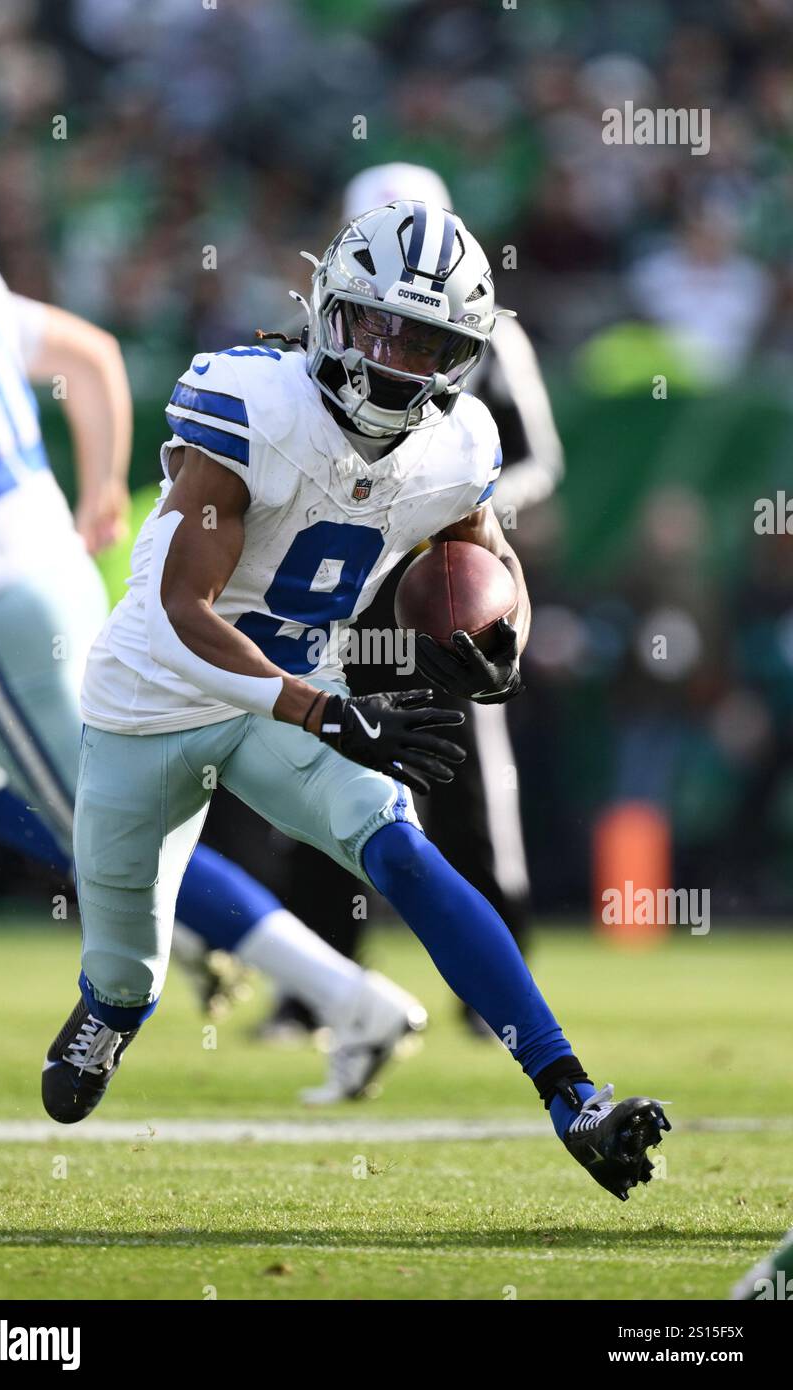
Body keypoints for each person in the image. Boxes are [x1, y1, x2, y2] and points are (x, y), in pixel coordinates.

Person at [42, 201, 670, 1200]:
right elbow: (179, 610)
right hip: (155, 688)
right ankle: (113, 1009)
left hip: (296, 690)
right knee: (126, 965)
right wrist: (325, 712)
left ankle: (571, 1092)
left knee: (403, 850)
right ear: (328, 310)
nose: (393, 356)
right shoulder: (252, 402)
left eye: (425, 340)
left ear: (462, 356)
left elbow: (489, 556)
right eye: (377, 325)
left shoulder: (457, 443)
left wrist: (505, 642)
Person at [0, 236, 425, 1107]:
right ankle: (201, 940)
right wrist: (99, 493)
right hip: (48, 568)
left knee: (118, 824)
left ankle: (348, 999)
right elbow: (91, 356)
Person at [268, 163, 564, 1039]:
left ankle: (493, 988)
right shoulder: (311, 331)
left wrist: (466, 518)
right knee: (324, 773)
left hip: (441, 576)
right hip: (343, 586)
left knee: (471, 779)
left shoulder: (486, 340)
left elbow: (535, 461)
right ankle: (318, 983)